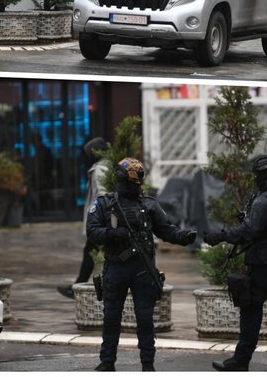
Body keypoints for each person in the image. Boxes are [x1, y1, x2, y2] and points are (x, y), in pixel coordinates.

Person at [86, 158, 197, 371]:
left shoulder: (148, 204)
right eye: (131, 183)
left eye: (136, 184)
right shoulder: (105, 204)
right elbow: (92, 232)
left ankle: (148, 364)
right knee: (111, 316)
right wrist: (113, 234)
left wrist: (183, 237)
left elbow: (166, 230)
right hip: (116, 267)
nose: (135, 188)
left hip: (142, 269)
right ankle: (107, 361)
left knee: (145, 318)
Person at [205, 155, 267, 372]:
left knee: (250, 314)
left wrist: (220, 235)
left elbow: (250, 231)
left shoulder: (264, 200)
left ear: (261, 176)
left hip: (264, 266)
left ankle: (241, 361)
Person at [58, 137, 109, 299]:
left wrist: (97, 220)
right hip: (103, 222)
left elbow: (102, 196)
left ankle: (78, 287)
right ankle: (78, 286)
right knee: (91, 252)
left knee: (92, 253)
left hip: (100, 222)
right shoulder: (108, 166)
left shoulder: (99, 170)